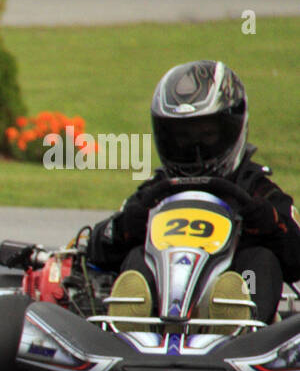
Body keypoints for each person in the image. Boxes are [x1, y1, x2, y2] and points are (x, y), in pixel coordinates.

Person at [90, 60, 300, 325]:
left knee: (260, 258)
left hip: (231, 318)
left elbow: (296, 252)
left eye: (207, 134)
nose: (195, 148)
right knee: (136, 257)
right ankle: (133, 323)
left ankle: (238, 321)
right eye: (183, 137)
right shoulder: (157, 190)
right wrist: (126, 226)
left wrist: (272, 223)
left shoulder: (255, 187)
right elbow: (96, 247)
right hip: (158, 317)